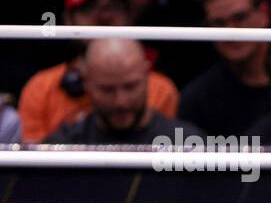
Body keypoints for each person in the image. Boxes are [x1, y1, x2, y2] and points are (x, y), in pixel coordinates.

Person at [18, 0, 180, 143]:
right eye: (89, 7)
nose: (104, 17)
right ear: (68, 19)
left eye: (113, 7)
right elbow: (37, 168)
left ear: (129, 16)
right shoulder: (40, 89)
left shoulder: (160, 89)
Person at [43, 39, 204, 145]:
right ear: (86, 82)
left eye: (130, 87)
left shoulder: (187, 145)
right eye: (107, 90)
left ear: (147, 76)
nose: (121, 101)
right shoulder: (62, 149)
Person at [179, 0, 271, 137]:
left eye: (240, 18)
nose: (231, 31)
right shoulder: (196, 100)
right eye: (218, 23)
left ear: (264, 13)